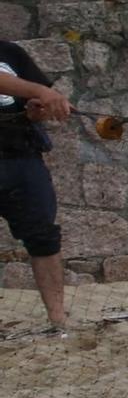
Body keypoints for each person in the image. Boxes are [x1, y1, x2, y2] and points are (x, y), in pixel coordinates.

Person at [0, 41, 73, 335]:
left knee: (43, 236)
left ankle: (58, 322)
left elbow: (36, 104)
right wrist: (40, 92)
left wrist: (37, 109)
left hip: (21, 157)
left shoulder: (10, 52)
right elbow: (38, 89)